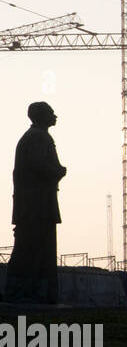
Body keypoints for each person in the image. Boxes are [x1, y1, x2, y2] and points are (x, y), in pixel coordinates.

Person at [4, 102, 67, 303]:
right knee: (32, 247)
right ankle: (25, 292)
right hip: (36, 205)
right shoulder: (39, 137)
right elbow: (39, 166)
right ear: (41, 116)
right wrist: (59, 171)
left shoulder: (35, 137)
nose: (55, 115)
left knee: (33, 247)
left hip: (36, 204)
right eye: (51, 113)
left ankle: (29, 291)